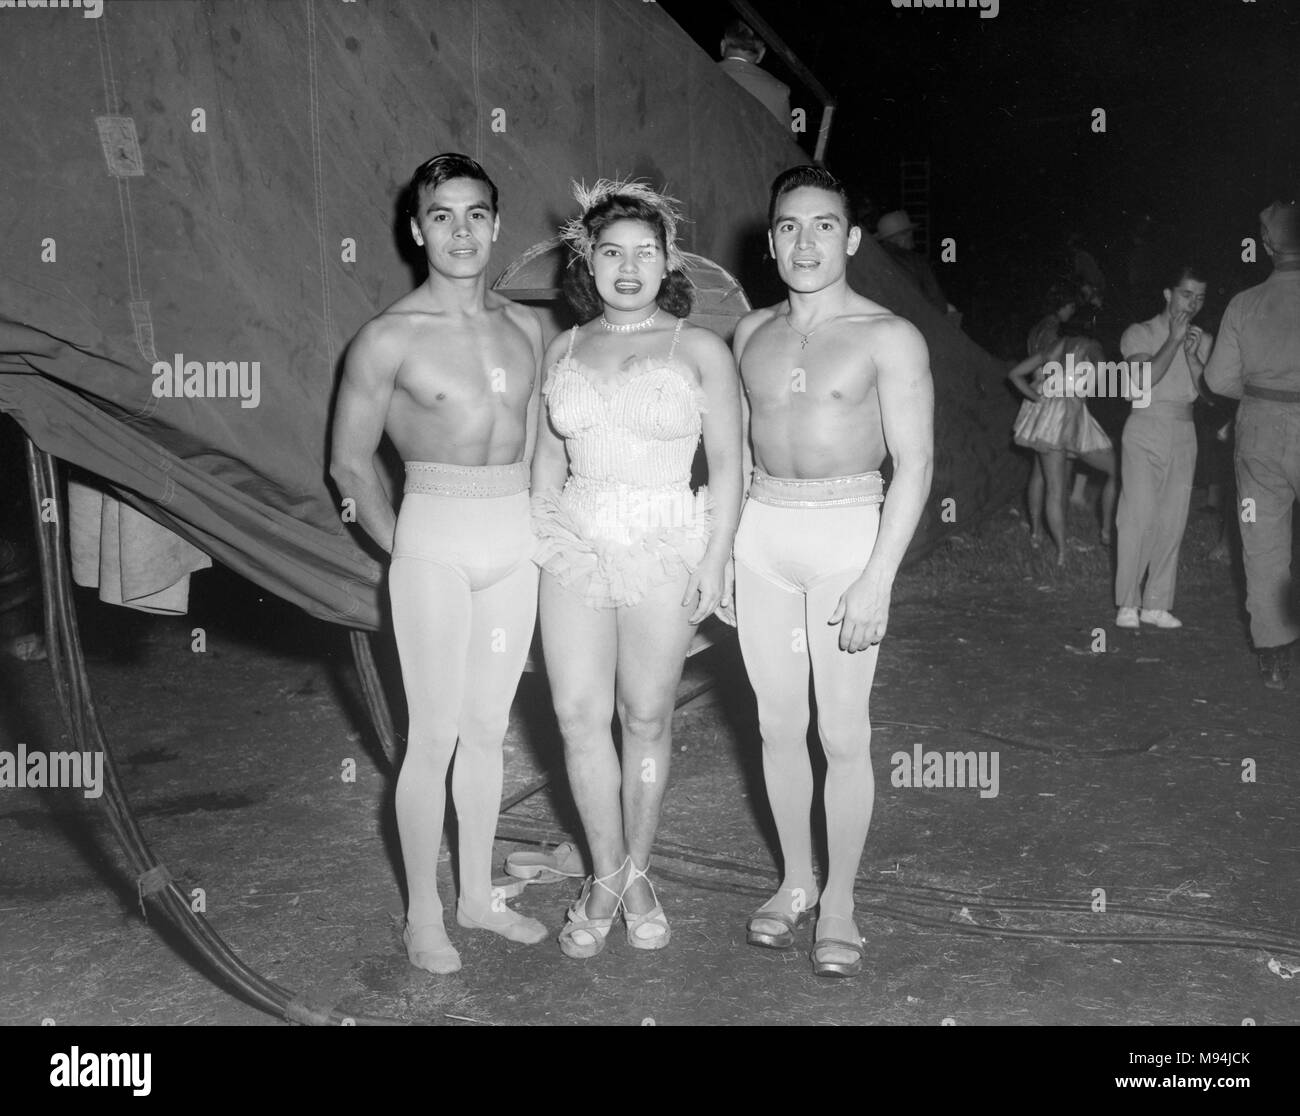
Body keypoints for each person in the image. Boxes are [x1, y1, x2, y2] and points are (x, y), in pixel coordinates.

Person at [330, 153, 546, 974]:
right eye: (443, 216)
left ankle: (478, 897)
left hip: (513, 536)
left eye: (477, 215)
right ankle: (425, 913)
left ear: (496, 224)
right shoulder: (388, 337)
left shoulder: (527, 329)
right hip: (434, 540)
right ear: (417, 229)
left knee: (489, 730)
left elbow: (542, 444)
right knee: (433, 734)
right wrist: (410, 551)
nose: (462, 231)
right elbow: (350, 465)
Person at [531, 179, 742, 957]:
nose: (627, 267)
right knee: (576, 717)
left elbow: (729, 465)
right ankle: (606, 873)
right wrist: (540, 541)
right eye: (611, 252)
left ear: (668, 259)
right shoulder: (565, 345)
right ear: (588, 259)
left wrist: (716, 557)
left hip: (664, 538)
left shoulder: (700, 348)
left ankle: (640, 872)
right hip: (575, 540)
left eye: (644, 252)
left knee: (645, 716)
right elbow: (545, 461)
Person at [732, 166, 933, 977]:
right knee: (777, 726)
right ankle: (795, 883)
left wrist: (878, 576)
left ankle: (841, 904)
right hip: (763, 535)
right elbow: (739, 455)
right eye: (788, 226)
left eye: (823, 226)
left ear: (851, 240)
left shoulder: (891, 336)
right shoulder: (747, 334)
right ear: (771, 238)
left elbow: (916, 465)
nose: (804, 242)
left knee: (841, 732)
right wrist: (724, 556)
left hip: (850, 532)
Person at [1204, 200, 1300, 688]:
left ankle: (1274, 656)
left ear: (1266, 246)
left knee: (1263, 545)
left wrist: (1266, 392)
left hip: (1259, 430)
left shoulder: (1243, 304)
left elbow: (1219, 380)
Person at [1113, 264, 1212, 630]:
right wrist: (1172, 341)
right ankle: (1128, 602)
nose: (1193, 304)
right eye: (1187, 294)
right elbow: (1142, 381)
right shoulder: (1138, 333)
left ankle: (1156, 604)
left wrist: (1191, 356)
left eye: (1200, 297)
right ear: (1168, 294)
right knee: (1138, 517)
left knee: (1173, 519)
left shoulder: (1202, 339)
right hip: (1144, 425)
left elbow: (1209, 396)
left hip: (1184, 429)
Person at [1007, 334, 1117, 564]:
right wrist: (1085, 388)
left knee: (1042, 478)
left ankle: (1038, 535)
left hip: (1045, 416)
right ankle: (1065, 550)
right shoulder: (1092, 347)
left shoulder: (1055, 348)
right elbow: (1099, 370)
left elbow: (1015, 374)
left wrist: (1037, 397)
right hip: (1067, 416)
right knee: (1058, 488)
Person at [875, 210, 954, 317]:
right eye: (909, 233)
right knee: (951, 312)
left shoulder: (875, 259)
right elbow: (939, 305)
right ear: (903, 236)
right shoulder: (916, 261)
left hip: (883, 320)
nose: (912, 236)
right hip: (914, 322)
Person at [718, 18, 791, 127]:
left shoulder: (696, 69)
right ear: (761, 53)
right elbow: (787, 141)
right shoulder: (778, 92)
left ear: (722, 45)